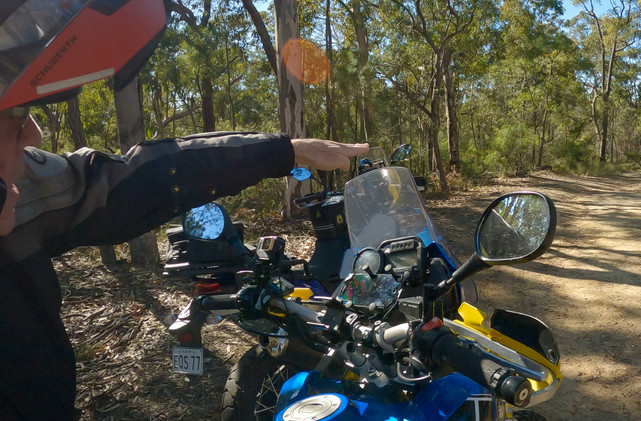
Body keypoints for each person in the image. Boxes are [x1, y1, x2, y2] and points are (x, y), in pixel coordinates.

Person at [0, 1, 367, 419]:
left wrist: (285, 151)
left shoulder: (25, 188)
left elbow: (136, 180)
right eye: (14, 118)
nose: (33, 132)